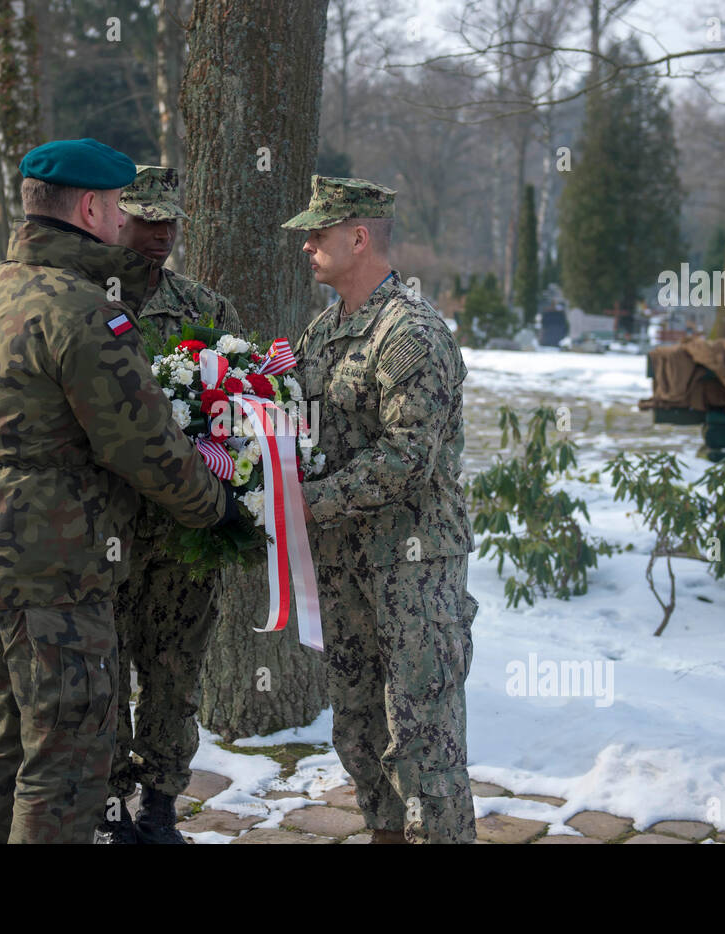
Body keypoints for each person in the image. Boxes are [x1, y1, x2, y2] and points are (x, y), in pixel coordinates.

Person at [0, 138, 234, 844]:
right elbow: (146, 447)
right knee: (67, 761)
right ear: (92, 207)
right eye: (116, 206)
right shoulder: (85, 312)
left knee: (7, 738)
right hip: (54, 564)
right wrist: (216, 508)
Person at [282, 175, 479, 844]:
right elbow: (305, 420)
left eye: (318, 232)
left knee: (423, 748)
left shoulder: (411, 331)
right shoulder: (324, 328)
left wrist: (307, 503)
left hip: (413, 566)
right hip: (345, 568)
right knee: (359, 736)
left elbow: (407, 458)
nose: (307, 243)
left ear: (358, 237)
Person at [96, 166, 245, 844]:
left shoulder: (206, 309)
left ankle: (159, 807)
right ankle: (106, 806)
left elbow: (244, 410)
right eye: (144, 220)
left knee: (174, 676)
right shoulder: (84, 304)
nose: (159, 233)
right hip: (107, 534)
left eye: (169, 221)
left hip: (186, 539)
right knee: (102, 676)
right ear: (112, 220)